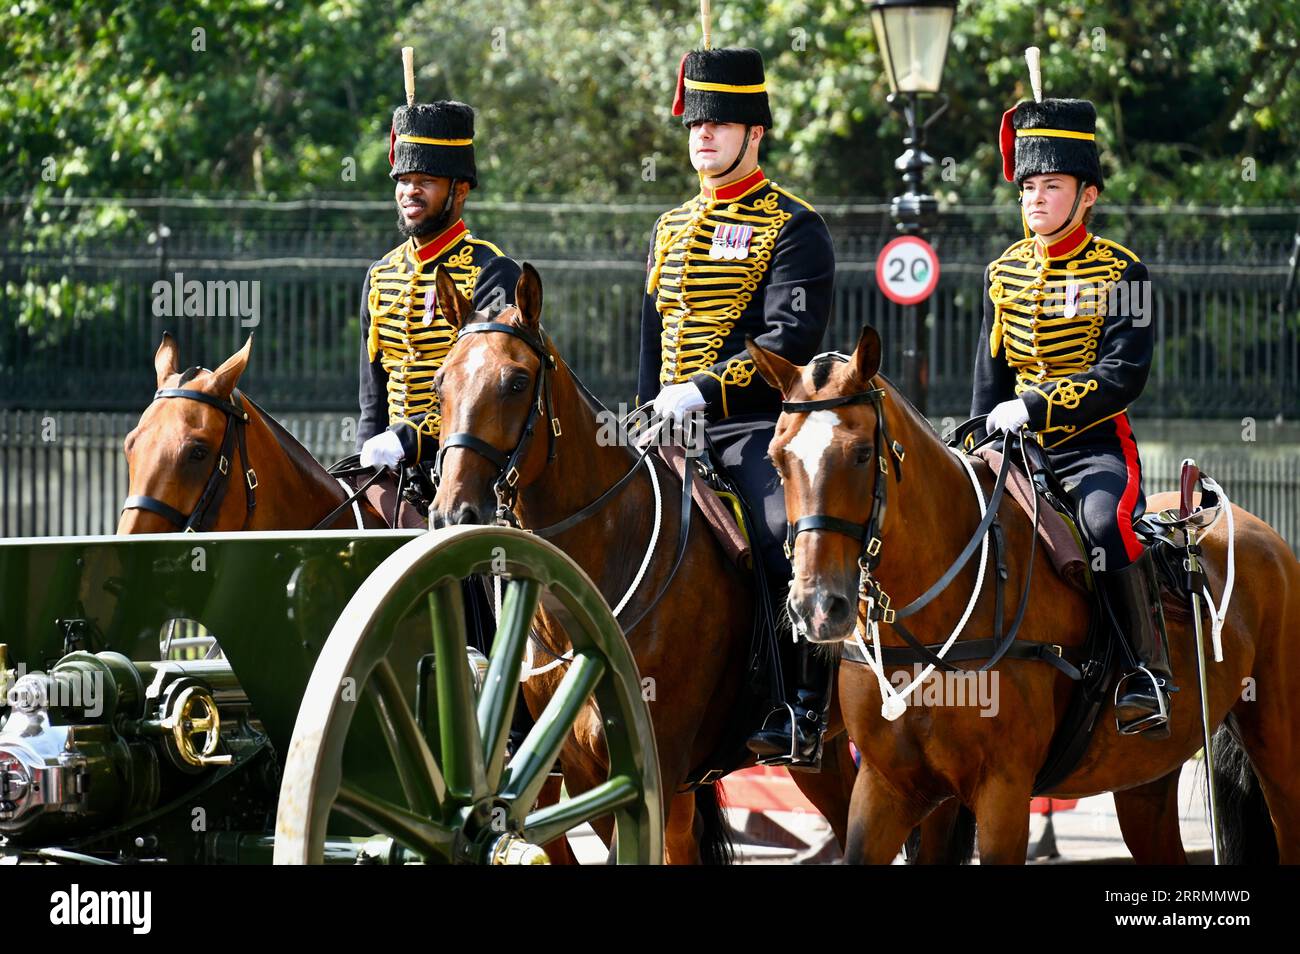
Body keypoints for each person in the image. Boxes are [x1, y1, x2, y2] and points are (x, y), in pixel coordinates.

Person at [638, 45, 837, 765]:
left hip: (752, 428)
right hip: (666, 430)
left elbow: (789, 339)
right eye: (695, 124)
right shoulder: (668, 227)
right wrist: (644, 413)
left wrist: (704, 387)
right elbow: (651, 340)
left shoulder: (794, 225)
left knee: (789, 535)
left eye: (719, 124)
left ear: (755, 134)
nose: (703, 137)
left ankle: (801, 706)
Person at [972, 94, 1176, 737]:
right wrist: (978, 436)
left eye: (1051, 185)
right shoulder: (1001, 272)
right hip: (1018, 453)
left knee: (1102, 523)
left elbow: (1124, 377)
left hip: (1093, 449)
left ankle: (1145, 671)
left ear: (1086, 194)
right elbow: (989, 378)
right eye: (1028, 185)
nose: (1035, 198)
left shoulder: (1126, 272)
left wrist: (1034, 405)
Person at [356, 89, 520, 526]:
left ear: (459, 190)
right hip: (389, 472)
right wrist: (369, 458)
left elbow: (489, 397)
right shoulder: (380, 275)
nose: (411, 190)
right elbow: (372, 398)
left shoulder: (492, 271)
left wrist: (410, 440)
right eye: (404, 180)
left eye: (425, 181)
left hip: (467, 473)